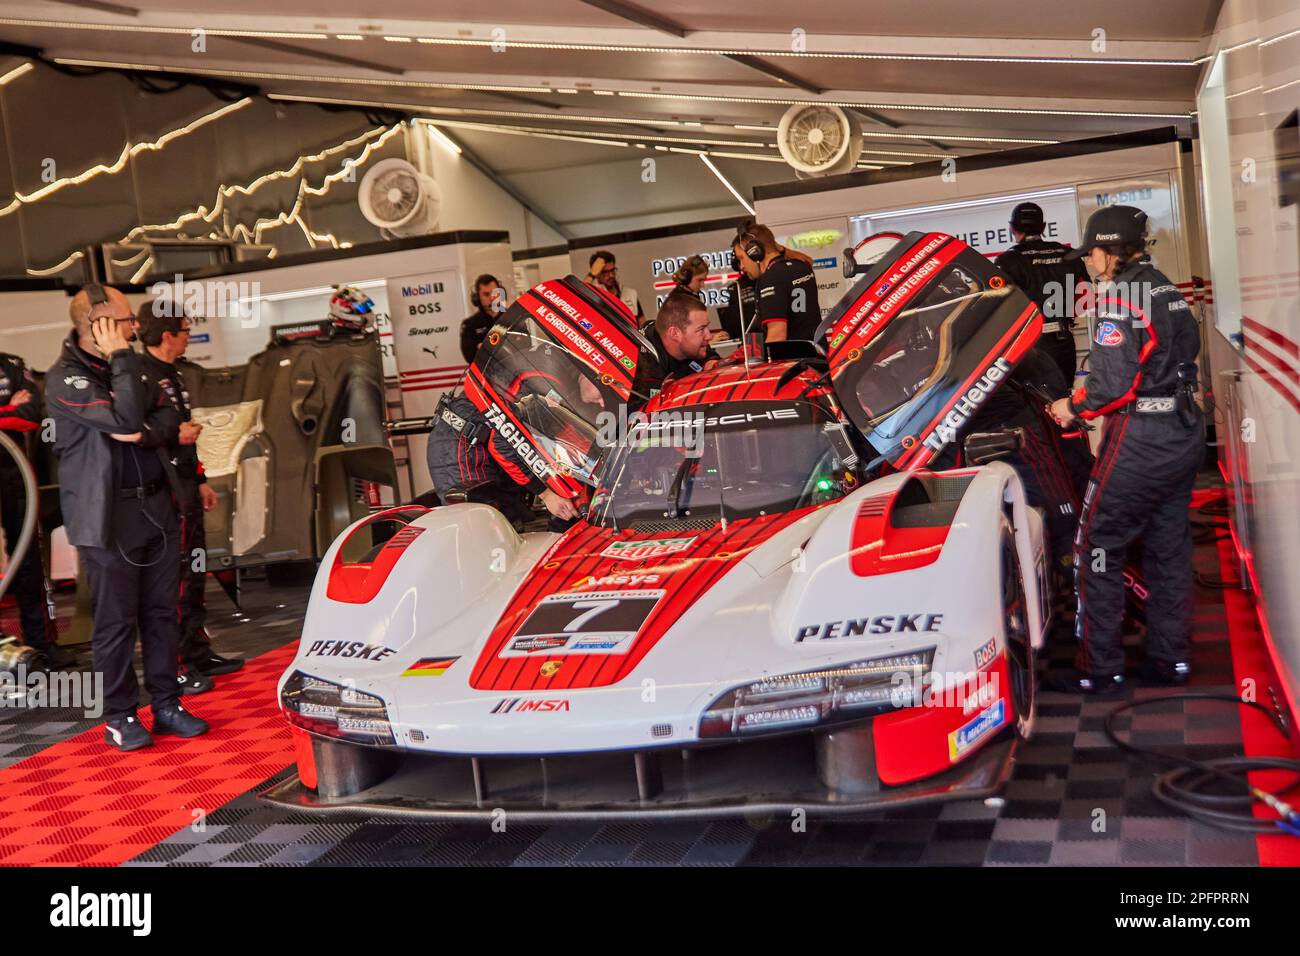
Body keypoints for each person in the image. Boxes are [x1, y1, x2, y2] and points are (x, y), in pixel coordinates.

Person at [1048, 205, 1204, 695]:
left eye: (1091, 253)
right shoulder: (1165, 288)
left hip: (1142, 439)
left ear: (1109, 250)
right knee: (1168, 547)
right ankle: (1170, 660)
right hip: (1184, 432)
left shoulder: (1121, 299)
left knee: (1096, 546)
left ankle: (1101, 668)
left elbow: (1111, 389)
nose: (1089, 263)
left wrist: (1071, 407)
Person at [46, 284, 208, 751]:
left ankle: (167, 704)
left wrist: (143, 431)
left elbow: (162, 418)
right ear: (95, 325)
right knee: (116, 622)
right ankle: (119, 715)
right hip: (106, 518)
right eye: (122, 321)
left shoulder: (134, 367)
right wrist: (137, 418)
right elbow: (122, 422)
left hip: (156, 504)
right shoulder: (65, 379)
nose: (134, 328)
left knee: (161, 613)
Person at [134, 300, 243, 694]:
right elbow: (136, 434)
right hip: (161, 492)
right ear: (166, 335)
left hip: (186, 486)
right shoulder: (138, 376)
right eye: (184, 330)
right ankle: (175, 662)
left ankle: (197, 651)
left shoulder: (175, 374)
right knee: (174, 579)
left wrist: (200, 478)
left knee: (196, 571)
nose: (188, 337)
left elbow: (185, 433)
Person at [0, 352, 71, 668]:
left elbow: (30, 415)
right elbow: (15, 412)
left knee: (29, 564)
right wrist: (7, 409)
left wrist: (15, 410)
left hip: (15, 477)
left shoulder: (10, 365)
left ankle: (42, 646)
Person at [995, 202, 1084, 383]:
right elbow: (1085, 298)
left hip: (1032, 342)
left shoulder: (1007, 261)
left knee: (1037, 400)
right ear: (1043, 227)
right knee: (1064, 398)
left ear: (1012, 228)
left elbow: (1001, 307)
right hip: (1063, 339)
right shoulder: (1068, 254)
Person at [732, 222, 820, 343]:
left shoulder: (770, 279)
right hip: (818, 352)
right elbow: (808, 260)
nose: (741, 266)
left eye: (741, 258)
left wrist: (767, 362)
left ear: (754, 252)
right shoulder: (802, 266)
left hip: (795, 358)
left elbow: (777, 336)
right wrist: (775, 247)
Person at [633, 292, 718, 398]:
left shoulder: (681, 336)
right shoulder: (645, 368)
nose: (709, 336)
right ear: (674, 333)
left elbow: (708, 355)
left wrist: (711, 361)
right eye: (701, 329)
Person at [586, 251, 644, 322]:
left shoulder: (630, 293)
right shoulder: (593, 296)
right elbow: (578, 295)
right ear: (597, 274)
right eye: (605, 272)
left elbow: (642, 322)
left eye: (612, 270)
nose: (611, 275)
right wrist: (591, 274)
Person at [460, 274, 504, 364]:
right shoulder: (469, 325)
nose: (492, 298)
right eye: (486, 294)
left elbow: (526, 345)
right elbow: (471, 358)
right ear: (477, 297)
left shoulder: (513, 317)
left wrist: (484, 348)